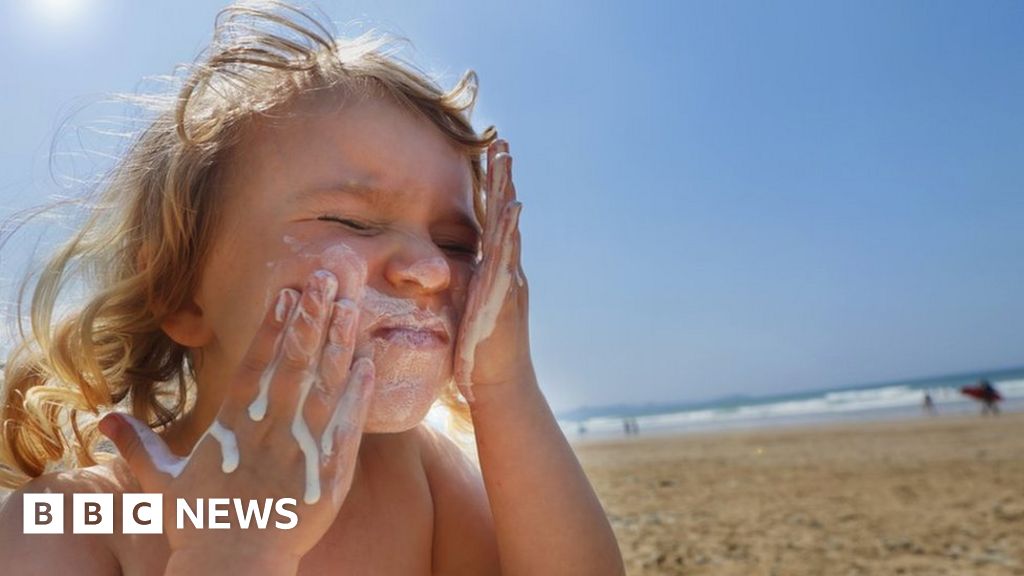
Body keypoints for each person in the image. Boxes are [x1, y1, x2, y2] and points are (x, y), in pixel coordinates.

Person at [0, 2, 625, 574]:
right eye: (351, 222)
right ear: (183, 295)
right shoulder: (81, 515)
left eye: (457, 245)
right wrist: (233, 551)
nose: (430, 269)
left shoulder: (416, 471)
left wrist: (504, 386)